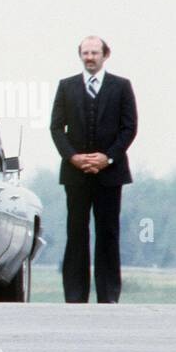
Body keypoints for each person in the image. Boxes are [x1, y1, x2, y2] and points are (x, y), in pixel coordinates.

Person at [49, 36, 138, 303]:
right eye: (85, 53)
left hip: (110, 174)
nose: (90, 57)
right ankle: (75, 295)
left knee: (108, 232)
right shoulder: (66, 86)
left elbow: (129, 127)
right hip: (76, 174)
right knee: (76, 232)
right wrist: (73, 157)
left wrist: (107, 158)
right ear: (80, 55)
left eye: (95, 53)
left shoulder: (121, 86)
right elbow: (56, 127)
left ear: (105, 55)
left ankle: (108, 294)